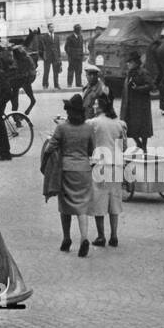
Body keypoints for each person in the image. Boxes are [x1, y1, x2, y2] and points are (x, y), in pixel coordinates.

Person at [49, 96, 96, 256]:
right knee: (82, 206)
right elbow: (92, 150)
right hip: (83, 169)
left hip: (66, 169)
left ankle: (67, 238)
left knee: (65, 206)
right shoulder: (89, 128)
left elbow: (50, 147)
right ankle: (84, 238)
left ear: (69, 112)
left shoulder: (62, 128)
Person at [89, 93, 127, 248]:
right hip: (116, 165)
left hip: (100, 164)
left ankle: (101, 236)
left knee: (99, 201)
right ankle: (114, 235)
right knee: (114, 202)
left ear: (101, 106)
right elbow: (123, 146)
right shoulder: (120, 124)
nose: (93, 106)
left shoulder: (93, 123)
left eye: (96, 104)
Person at [120, 54, 153, 152]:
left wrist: (138, 88)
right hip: (130, 105)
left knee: (143, 128)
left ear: (135, 63)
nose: (128, 64)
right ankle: (139, 144)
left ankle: (144, 147)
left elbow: (151, 85)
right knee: (129, 127)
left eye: (129, 62)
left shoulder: (143, 72)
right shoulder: (130, 73)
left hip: (141, 105)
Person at [38, 23, 62, 89]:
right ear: (48, 28)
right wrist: (43, 57)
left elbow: (58, 48)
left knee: (56, 72)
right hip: (47, 57)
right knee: (46, 71)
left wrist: (59, 57)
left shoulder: (57, 37)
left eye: (53, 27)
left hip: (55, 57)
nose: (52, 29)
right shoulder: (44, 37)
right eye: (51, 27)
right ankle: (45, 84)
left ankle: (56, 85)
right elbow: (41, 48)